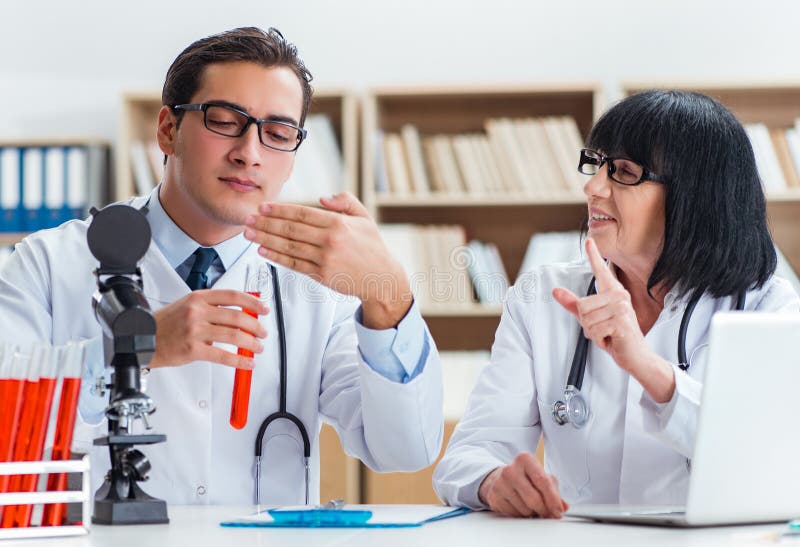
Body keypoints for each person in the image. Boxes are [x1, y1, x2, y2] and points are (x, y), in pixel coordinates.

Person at [0, 27, 443, 505]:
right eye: (226, 121)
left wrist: (389, 296)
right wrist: (131, 352)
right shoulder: (48, 263)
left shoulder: (319, 285)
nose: (249, 153)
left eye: (277, 133)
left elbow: (404, 448)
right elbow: (7, 431)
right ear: (168, 130)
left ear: (293, 157)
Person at [432, 90, 800, 518]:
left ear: (694, 195)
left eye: (623, 171)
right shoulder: (542, 298)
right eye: (597, 164)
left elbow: (765, 460)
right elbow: (468, 456)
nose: (592, 187)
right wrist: (493, 481)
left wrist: (645, 364)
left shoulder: (767, 308)